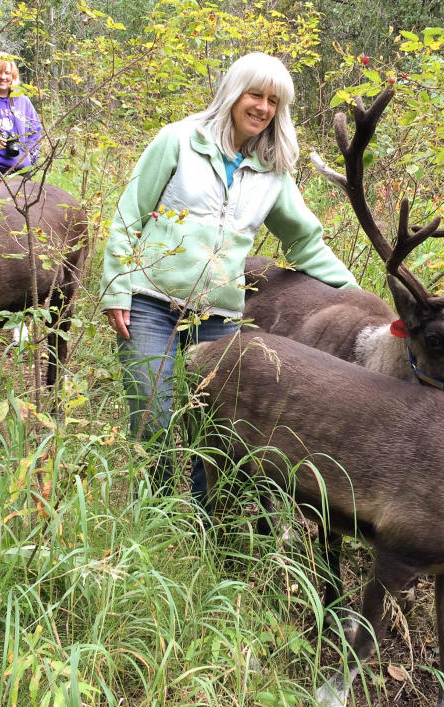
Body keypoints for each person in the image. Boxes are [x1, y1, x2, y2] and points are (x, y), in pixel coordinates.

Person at [100, 52, 358, 502]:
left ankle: (204, 521)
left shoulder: (272, 172)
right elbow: (130, 214)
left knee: (216, 428)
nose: (262, 107)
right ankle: (155, 513)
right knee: (152, 416)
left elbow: (305, 243)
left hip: (217, 315)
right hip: (148, 299)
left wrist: (356, 293)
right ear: (233, 93)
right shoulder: (179, 140)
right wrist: (116, 287)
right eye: (255, 94)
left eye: (273, 101)